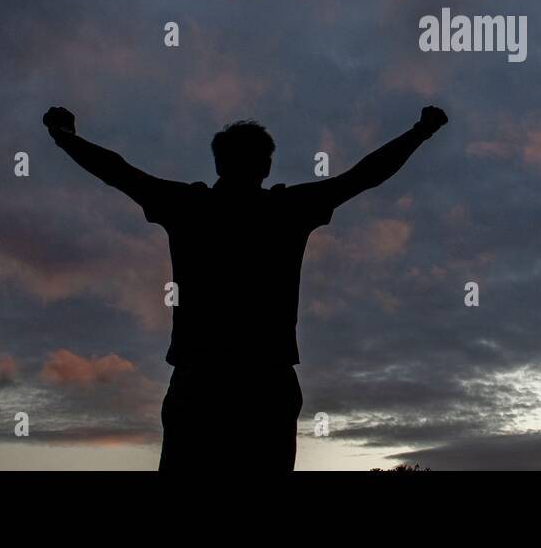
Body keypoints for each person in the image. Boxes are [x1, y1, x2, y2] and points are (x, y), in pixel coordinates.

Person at [42, 103, 449, 473]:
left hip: (201, 381)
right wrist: (420, 131)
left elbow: (118, 171)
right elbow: (363, 176)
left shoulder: (189, 205)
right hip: (263, 383)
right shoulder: (285, 209)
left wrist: (66, 138)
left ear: (218, 162)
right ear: (267, 167)